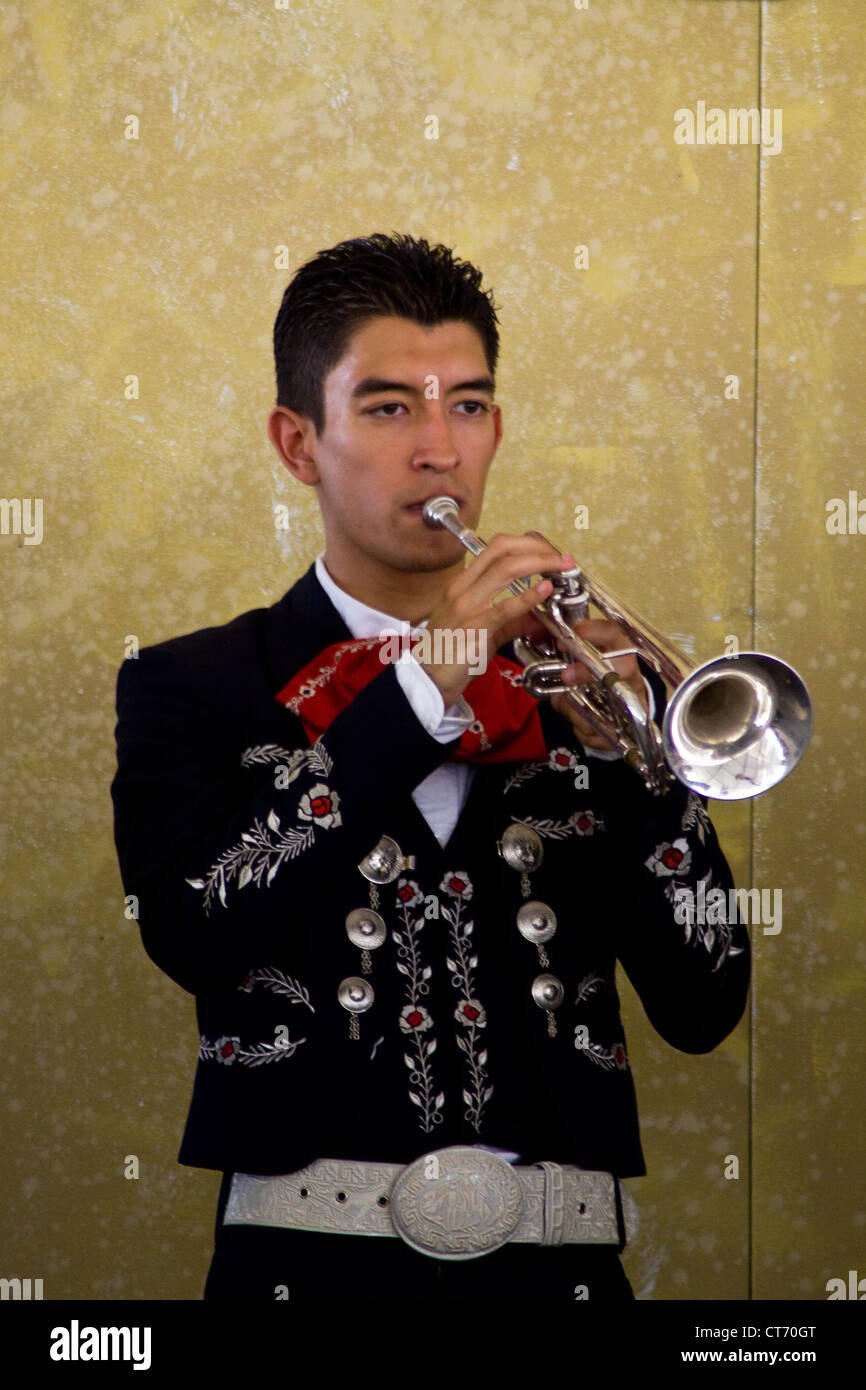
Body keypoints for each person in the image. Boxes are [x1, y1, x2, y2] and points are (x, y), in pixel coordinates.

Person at [110, 232, 751, 1304]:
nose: (438, 448)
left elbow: (704, 1003)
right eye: (388, 407)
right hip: (303, 1281)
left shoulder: (580, 687)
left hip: (562, 1284)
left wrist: (638, 766)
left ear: (495, 428)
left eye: (467, 405)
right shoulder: (192, 682)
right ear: (297, 443)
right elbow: (194, 930)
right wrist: (426, 682)